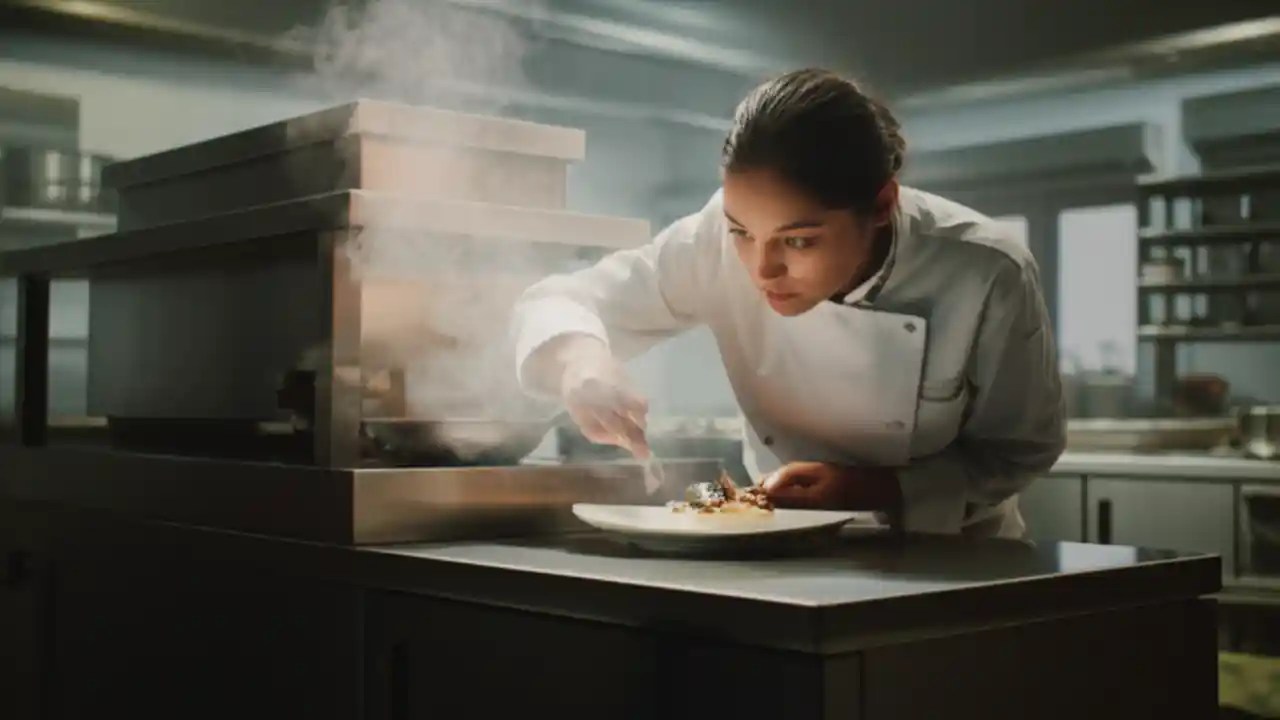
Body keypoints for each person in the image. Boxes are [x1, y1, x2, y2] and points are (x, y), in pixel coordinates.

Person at [510, 68, 1065, 537]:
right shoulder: (711, 241)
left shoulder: (986, 270)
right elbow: (562, 296)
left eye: (798, 241)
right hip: (779, 547)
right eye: (741, 232)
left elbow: (1020, 451)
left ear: (880, 206)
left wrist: (872, 489)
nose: (761, 268)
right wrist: (580, 363)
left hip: (953, 558)